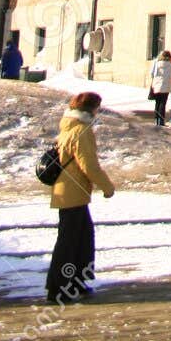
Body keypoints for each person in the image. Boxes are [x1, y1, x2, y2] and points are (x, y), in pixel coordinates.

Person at [45, 91, 115, 305]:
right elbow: (89, 165)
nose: (98, 112)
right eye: (97, 108)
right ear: (90, 109)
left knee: (81, 238)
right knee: (70, 243)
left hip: (67, 192)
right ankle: (60, 287)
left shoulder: (67, 127)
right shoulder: (81, 131)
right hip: (72, 194)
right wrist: (107, 186)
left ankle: (74, 282)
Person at [149, 50, 171, 127]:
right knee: (163, 103)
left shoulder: (156, 63)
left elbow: (151, 73)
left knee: (157, 102)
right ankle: (161, 120)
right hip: (166, 87)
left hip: (156, 85)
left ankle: (156, 119)